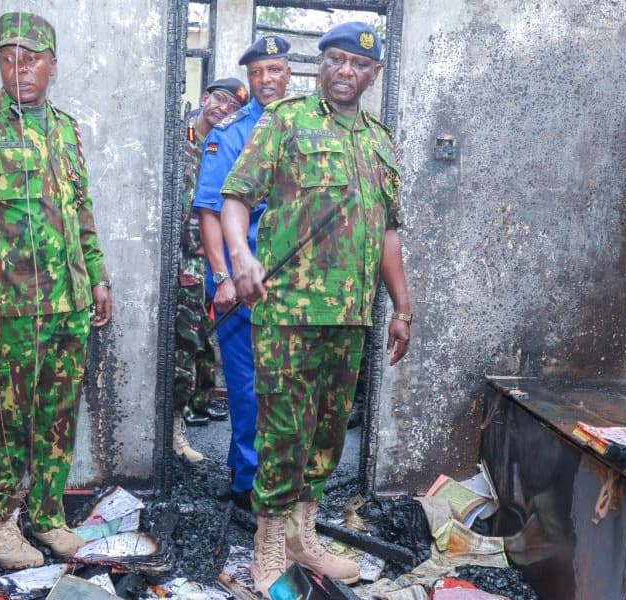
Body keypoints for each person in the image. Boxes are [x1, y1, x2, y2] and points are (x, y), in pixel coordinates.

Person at [219, 22, 412, 594]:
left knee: (327, 436)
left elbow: (388, 234)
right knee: (282, 432)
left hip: (351, 317)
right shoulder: (286, 121)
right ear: (320, 65)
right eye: (336, 61)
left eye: (358, 64)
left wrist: (401, 307)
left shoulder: (379, 140)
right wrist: (241, 261)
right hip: (290, 315)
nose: (346, 72)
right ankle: (270, 546)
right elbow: (235, 198)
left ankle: (304, 535)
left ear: (373, 75)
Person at [0, 11, 112, 570]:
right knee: (6, 421)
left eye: (31, 58)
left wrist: (98, 276)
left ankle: (48, 515)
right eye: (9, 58)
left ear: (52, 66)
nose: (20, 69)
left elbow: (80, 210)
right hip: (8, 309)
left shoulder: (65, 129)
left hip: (68, 305)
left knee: (58, 415)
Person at [194, 35, 293, 512]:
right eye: (257, 73)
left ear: (288, 73)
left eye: (274, 70)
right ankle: (253, 491)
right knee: (249, 391)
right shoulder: (230, 132)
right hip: (243, 285)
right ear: (248, 80)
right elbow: (210, 211)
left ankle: (245, 475)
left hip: (293, 287)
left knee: (285, 389)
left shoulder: (305, 125)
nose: (266, 80)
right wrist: (222, 277)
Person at [173, 78, 248, 463]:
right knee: (172, 348)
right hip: (171, 261)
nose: (223, 110)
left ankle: (180, 425)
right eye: (219, 100)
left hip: (202, 262)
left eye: (232, 108)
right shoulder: (177, 137)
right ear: (205, 99)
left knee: (193, 344)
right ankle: (170, 431)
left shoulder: (227, 147)